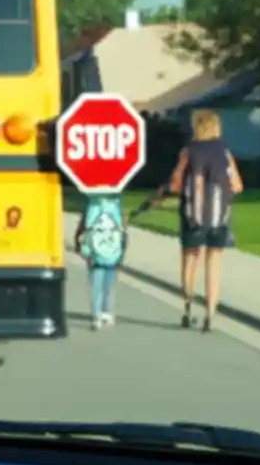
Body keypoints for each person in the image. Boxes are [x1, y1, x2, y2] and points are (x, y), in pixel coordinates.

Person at [135, 109, 244, 333]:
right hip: (219, 216)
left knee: (190, 261)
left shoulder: (188, 151)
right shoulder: (225, 152)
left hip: (191, 216)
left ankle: (188, 308)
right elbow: (237, 185)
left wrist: (165, 192)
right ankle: (210, 314)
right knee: (213, 264)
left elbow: (175, 183)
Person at [74, 190, 128, 331]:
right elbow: (122, 224)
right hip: (107, 249)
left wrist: (79, 240)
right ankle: (103, 312)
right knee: (105, 284)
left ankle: (100, 313)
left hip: (101, 251)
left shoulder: (95, 202)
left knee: (100, 284)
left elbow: (85, 222)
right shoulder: (112, 201)